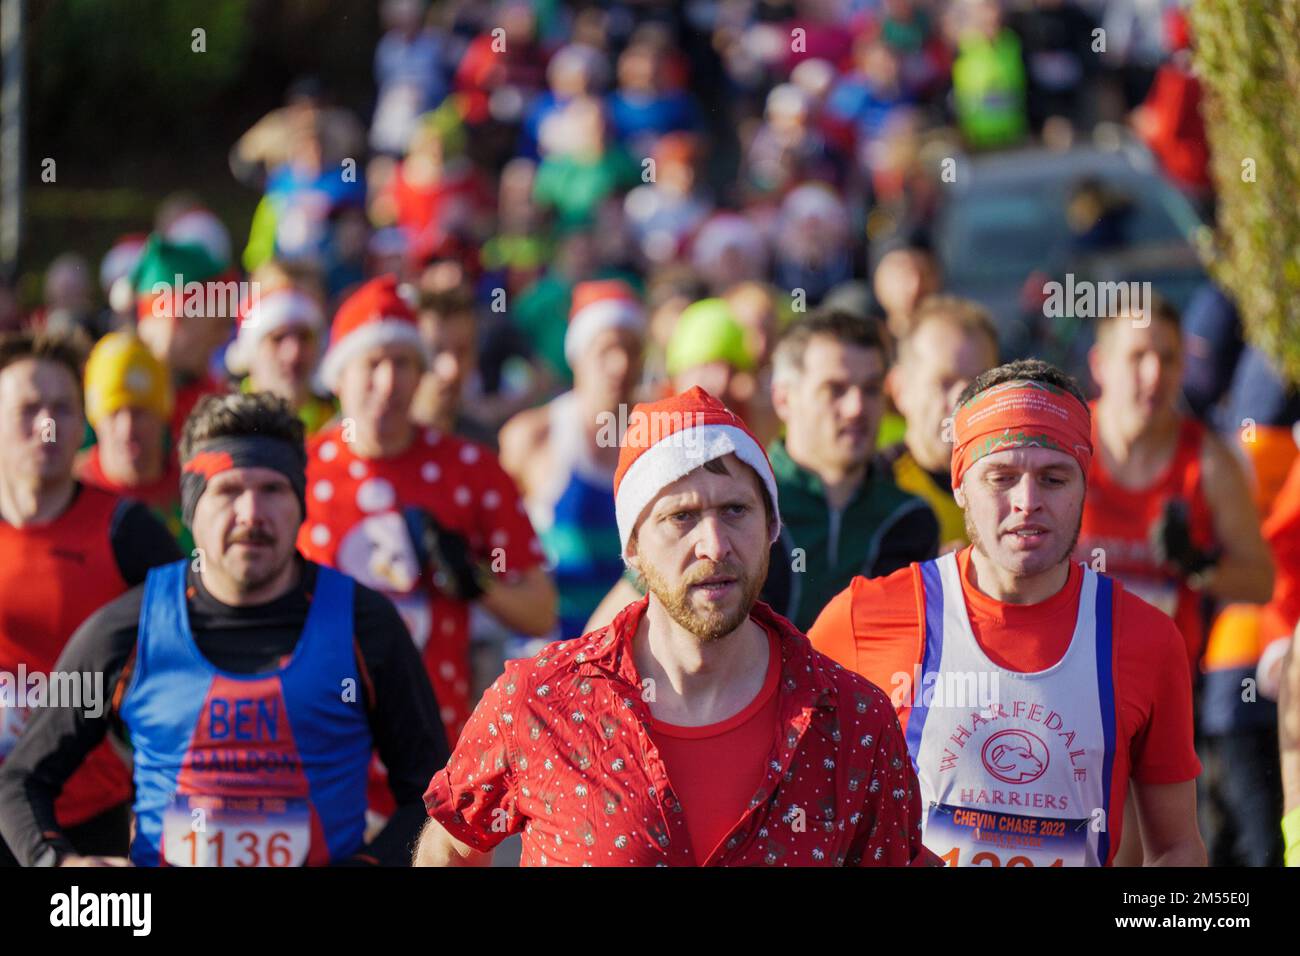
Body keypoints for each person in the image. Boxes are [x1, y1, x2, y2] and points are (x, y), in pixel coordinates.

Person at [414, 386, 939, 867]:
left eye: (736, 509)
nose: (714, 545)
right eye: (681, 517)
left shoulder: (855, 721)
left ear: (770, 528)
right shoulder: (540, 700)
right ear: (634, 547)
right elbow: (451, 844)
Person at [0, 391, 447, 866]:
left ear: (299, 503)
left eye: (273, 489)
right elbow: (22, 779)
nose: (252, 514)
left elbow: (434, 793)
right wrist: (62, 864)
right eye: (229, 490)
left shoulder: (364, 623)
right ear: (192, 508)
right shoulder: (128, 631)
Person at [809, 359, 1207, 867]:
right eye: (1001, 476)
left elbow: (1176, 847)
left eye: (1054, 479)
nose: (1027, 502)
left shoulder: (1147, 640)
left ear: (1086, 484)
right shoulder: (863, 618)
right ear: (959, 484)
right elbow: (796, 804)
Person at [297, 275, 555, 750]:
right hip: (321, 740)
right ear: (337, 376)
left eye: (403, 364)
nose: (388, 382)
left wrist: (474, 579)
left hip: (433, 743)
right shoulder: (298, 471)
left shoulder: (471, 467)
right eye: (372, 363)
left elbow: (540, 612)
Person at [0, 331, 181, 865]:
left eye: (63, 407)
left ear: (83, 422)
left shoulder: (125, 529)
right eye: (28, 408)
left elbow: (198, 654)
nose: (47, 425)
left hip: (88, 818)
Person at [1076, 299, 1273, 671]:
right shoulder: (1062, 446)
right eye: (1138, 357)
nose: (1154, 374)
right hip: (1065, 680)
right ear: (1100, 365)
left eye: (1168, 359)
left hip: (1161, 686)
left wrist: (1198, 565)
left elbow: (1262, 582)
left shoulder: (1209, 462)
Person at [499, 279, 645, 644]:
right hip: (548, 652)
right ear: (577, 355)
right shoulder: (533, 436)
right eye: (606, 349)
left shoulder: (656, 438)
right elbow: (495, 547)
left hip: (630, 653)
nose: (620, 364)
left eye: (631, 350)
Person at [880, 295, 1000, 552]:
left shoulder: (1017, 485)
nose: (962, 400)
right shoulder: (876, 486)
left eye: (978, 384)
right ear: (900, 389)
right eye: (943, 382)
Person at [77, 331, 190, 550]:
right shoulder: (69, 492)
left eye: (140, 413)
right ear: (94, 420)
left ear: (163, 414)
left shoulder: (193, 491)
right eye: (113, 413)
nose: (127, 428)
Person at [225, 274, 336, 437]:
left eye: (304, 337)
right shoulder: (224, 421)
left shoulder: (344, 421)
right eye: (277, 338)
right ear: (250, 351)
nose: (294, 353)